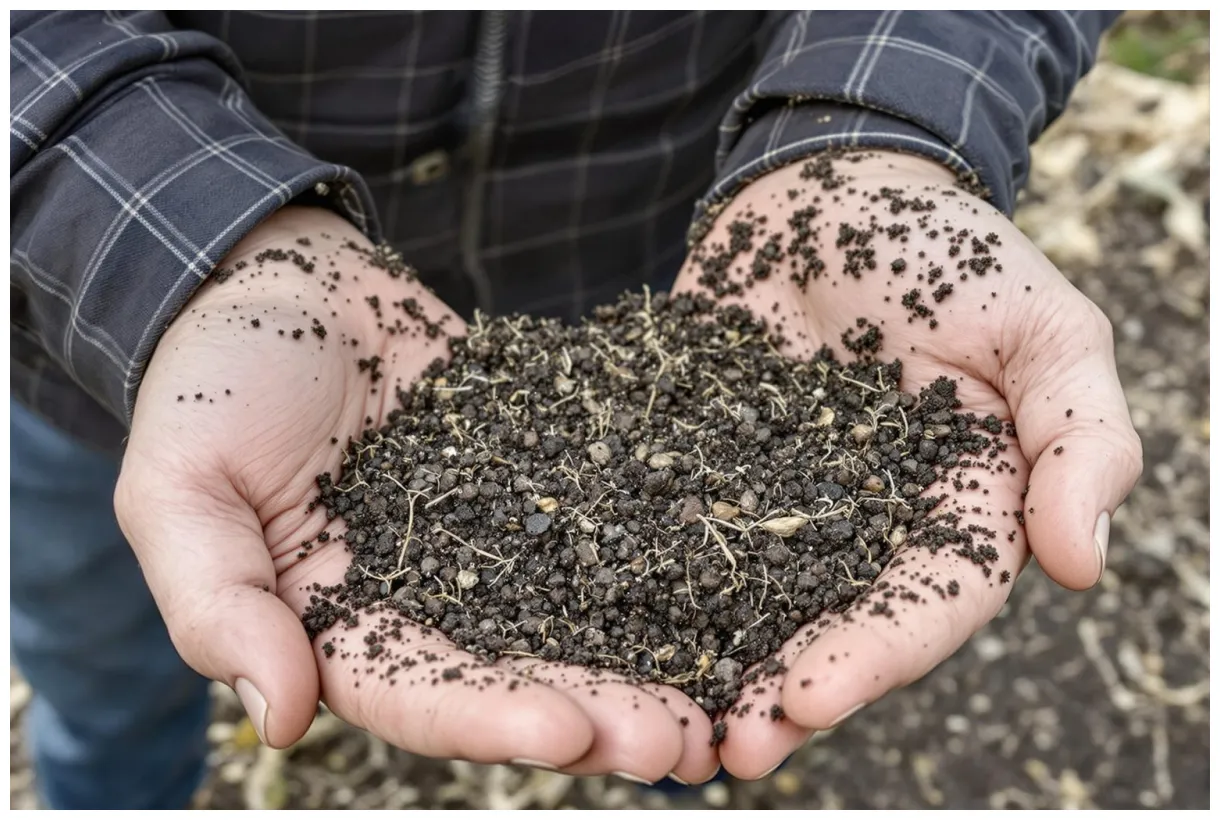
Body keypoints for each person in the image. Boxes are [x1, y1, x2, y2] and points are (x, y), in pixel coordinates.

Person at [10, 11, 1143, 809]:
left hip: (684, 253)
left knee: (693, 701)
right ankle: (112, 794)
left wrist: (877, 118)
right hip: (140, 324)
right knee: (100, 648)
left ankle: (671, 762)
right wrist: (170, 238)